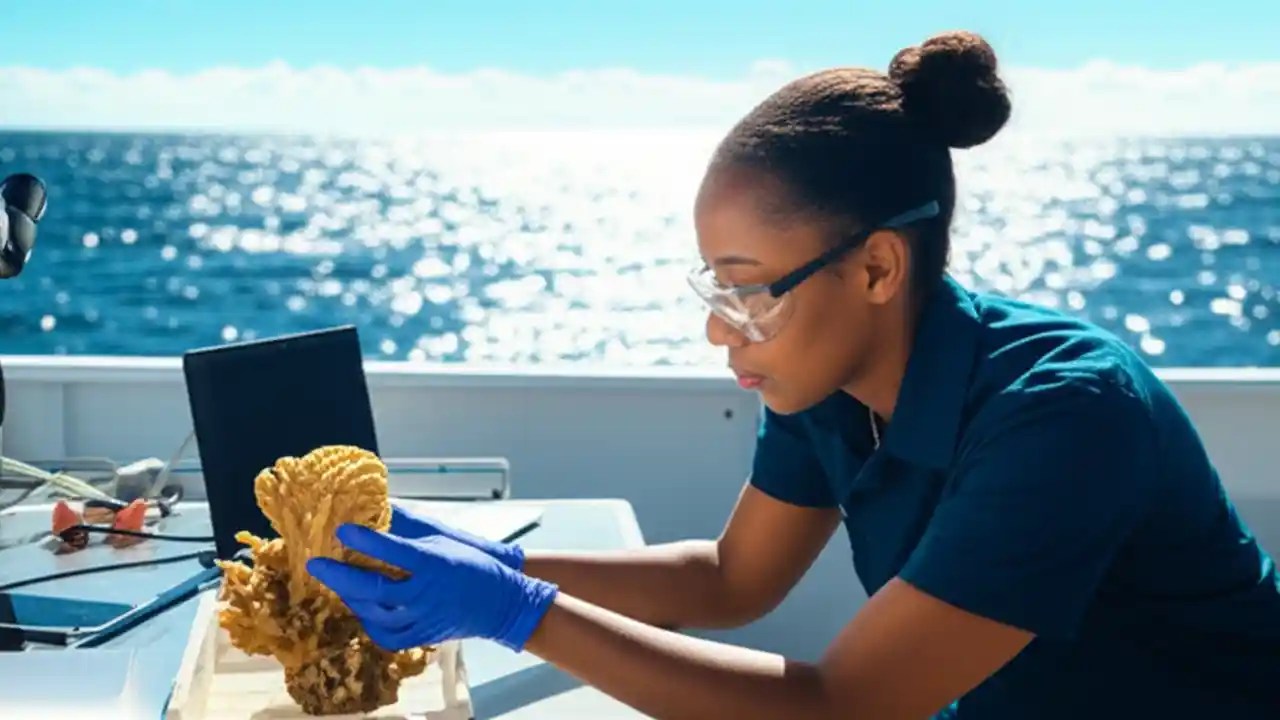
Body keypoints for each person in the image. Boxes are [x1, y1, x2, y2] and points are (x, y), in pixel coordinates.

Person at [306, 30, 1280, 719]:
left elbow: (844, 703)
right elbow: (730, 579)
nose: (717, 331)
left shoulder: (1063, 416)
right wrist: (500, 564)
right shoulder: (827, 385)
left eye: (746, 292)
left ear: (874, 269)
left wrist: (516, 615)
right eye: (711, 288)